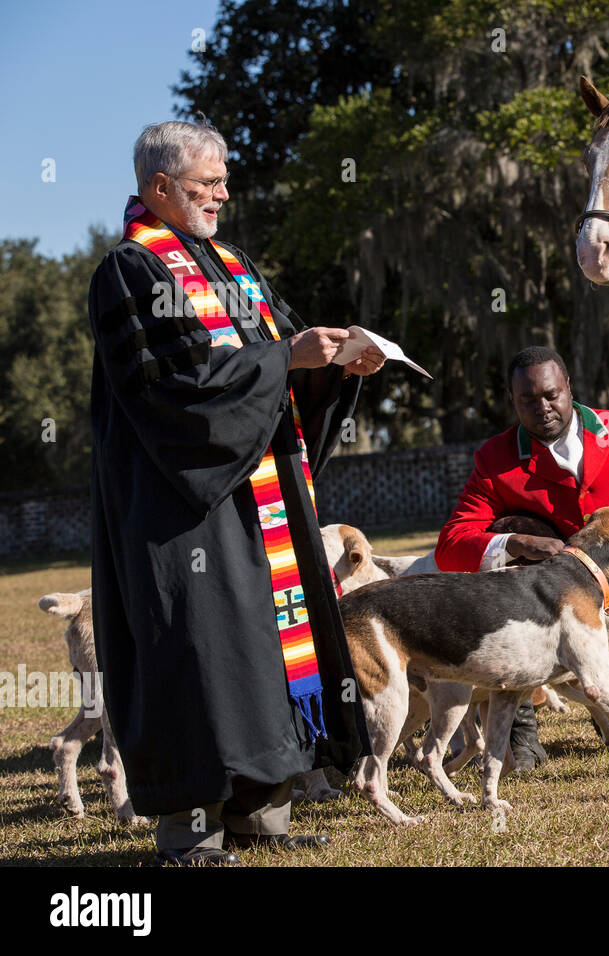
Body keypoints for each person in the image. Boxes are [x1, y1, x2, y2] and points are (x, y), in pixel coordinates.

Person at [88, 119, 385, 866]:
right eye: (205, 184)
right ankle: (193, 833)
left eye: (223, 181)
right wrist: (286, 356)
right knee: (200, 659)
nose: (222, 195)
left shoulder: (232, 264)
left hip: (259, 499)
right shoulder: (130, 271)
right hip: (182, 506)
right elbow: (173, 389)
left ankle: (261, 816)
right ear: (159, 188)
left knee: (268, 651)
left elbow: (280, 355)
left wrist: (333, 363)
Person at [434, 347, 609, 766]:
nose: (542, 408)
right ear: (512, 401)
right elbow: (451, 544)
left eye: (551, 395)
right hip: (563, 616)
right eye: (527, 400)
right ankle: (591, 716)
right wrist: (514, 542)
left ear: (568, 388)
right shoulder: (494, 459)